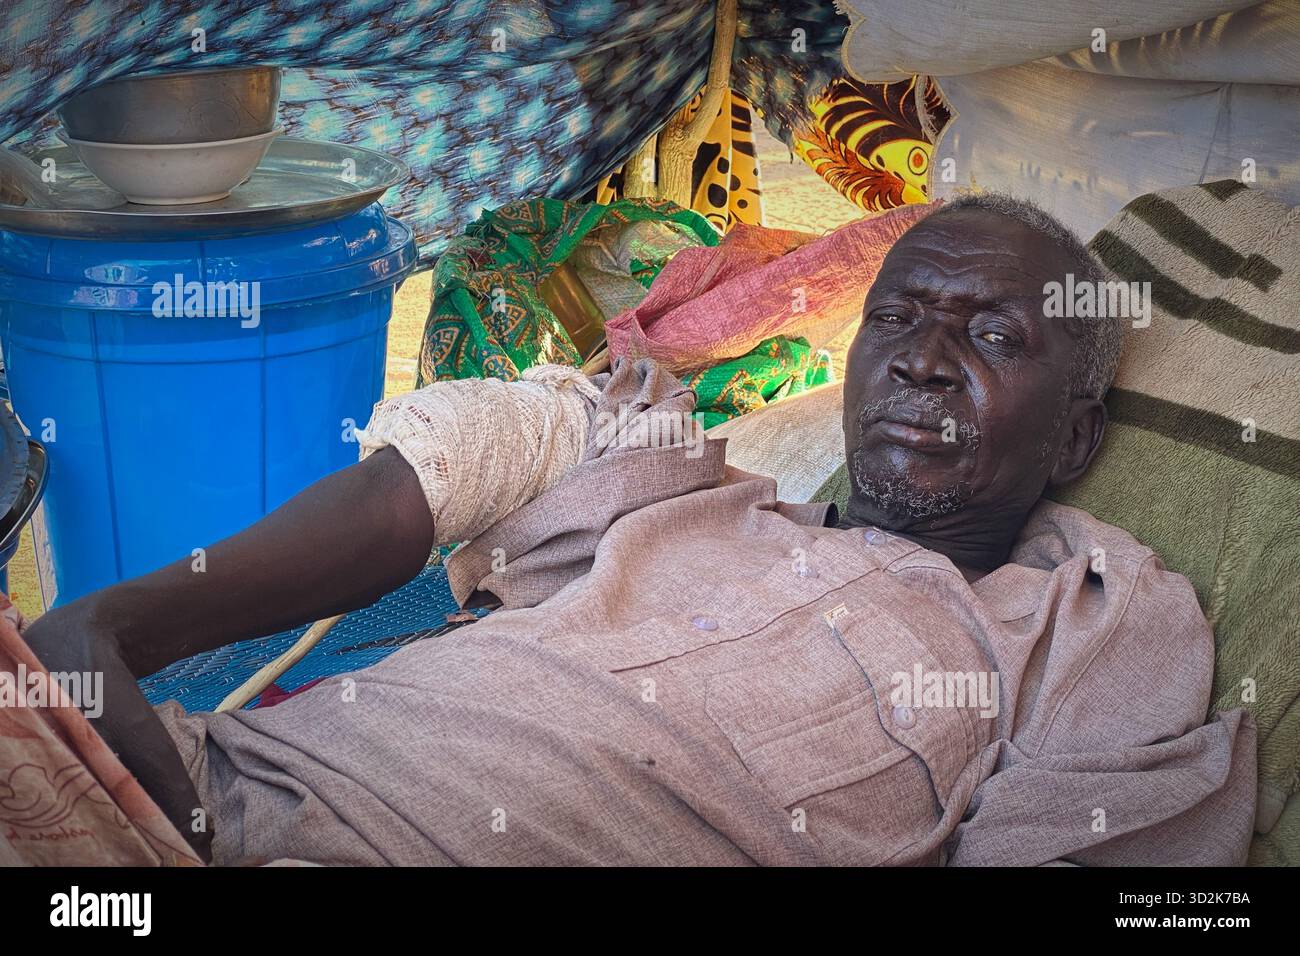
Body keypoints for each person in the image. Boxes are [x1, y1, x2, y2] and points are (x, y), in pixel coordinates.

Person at [23, 195, 1256, 866]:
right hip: (176, 800)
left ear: (1077, 437)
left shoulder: (1078, 618)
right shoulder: (690, 489)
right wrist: (116, 622)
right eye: (901, 320)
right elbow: (484, 443)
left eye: (992, 336)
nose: (923, 362)